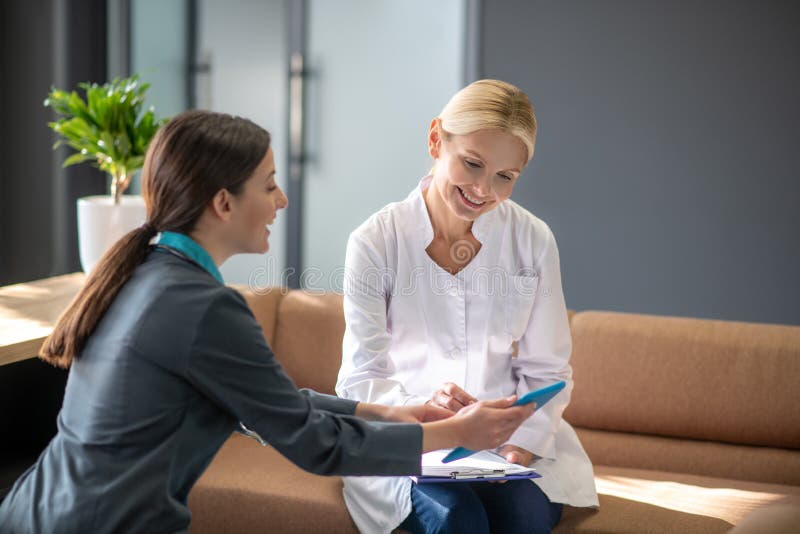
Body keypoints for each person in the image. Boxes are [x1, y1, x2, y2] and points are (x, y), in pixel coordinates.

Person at [0, 110, 537, 533]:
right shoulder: (205, 308)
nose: (281, 200)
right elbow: (315, 444)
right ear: (223, 204)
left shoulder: (151, 274)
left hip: (41, 510)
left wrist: (392, 413)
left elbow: (267, 403)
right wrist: (453, 431)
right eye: (269, 184)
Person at [336, 80, 599, 533]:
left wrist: (521, 446)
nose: (483, 189)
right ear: (437, 139)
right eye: (472, 164)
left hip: (508, 444)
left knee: (520, 516)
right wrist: (427, 408)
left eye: (505, 177)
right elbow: (361, 379)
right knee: (458, 518)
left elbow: (548, 369)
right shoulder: (376, 242)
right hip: (409, 443)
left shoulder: (533, 240)